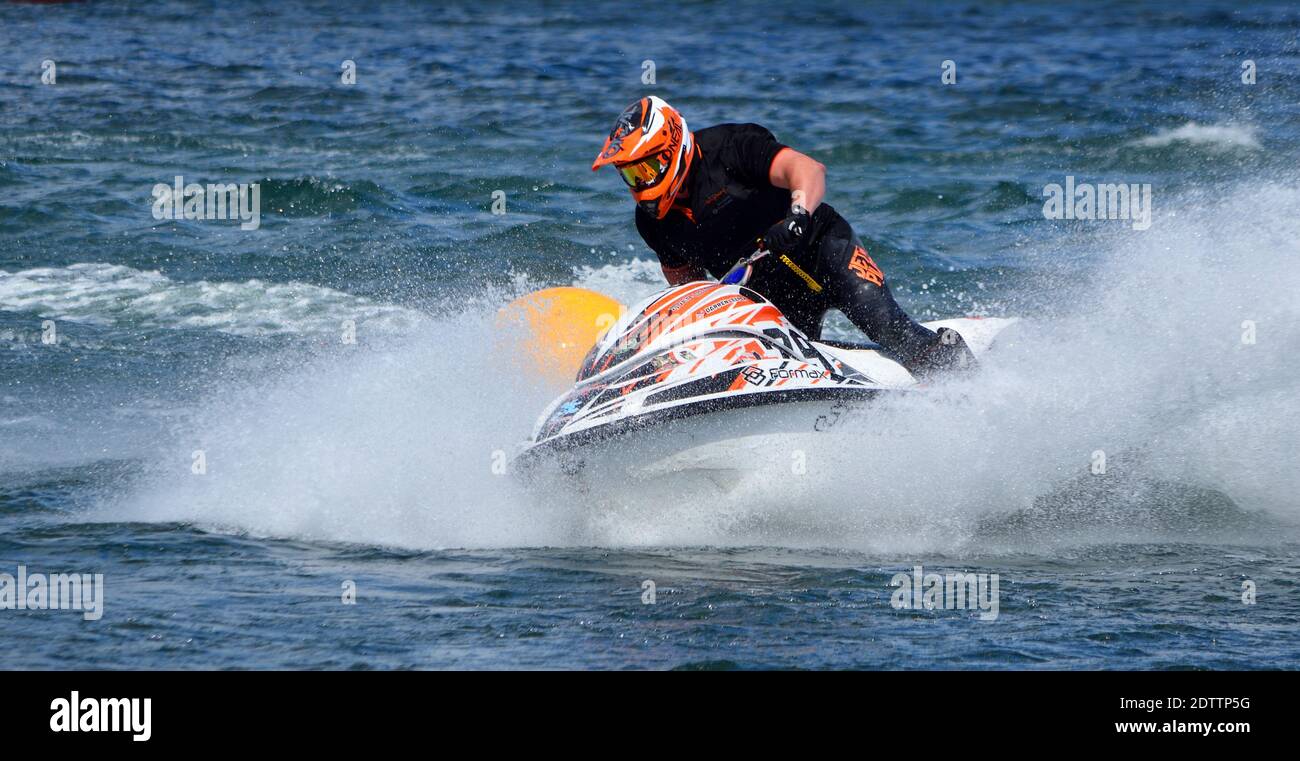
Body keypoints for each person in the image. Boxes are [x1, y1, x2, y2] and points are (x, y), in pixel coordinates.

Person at [591, 95, 975, 377]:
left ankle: (964, 375)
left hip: (823, 248)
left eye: (646, 170)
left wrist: (796, 216)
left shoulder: (730, 147)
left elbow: (807, 169)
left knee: (891, 329)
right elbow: (688, 290)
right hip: (771, 294)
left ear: (672, 148)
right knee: (794, 369)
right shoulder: (653, 222)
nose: (641, 186)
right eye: (630, 175)